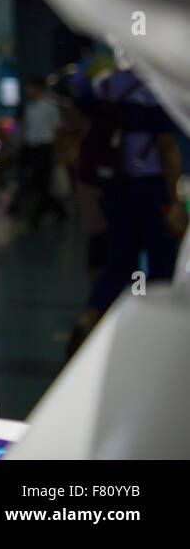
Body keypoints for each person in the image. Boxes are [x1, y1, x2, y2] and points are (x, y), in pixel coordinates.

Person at [66, 66, 186, 355]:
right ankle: (157, 334)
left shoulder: (105, 84)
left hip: (115, 186)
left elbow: (75, 113)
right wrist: (176, 201)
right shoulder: (154, 89)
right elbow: (167, 147)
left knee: (120, 263)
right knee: (160, 263)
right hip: (151, 187)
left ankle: (88, 319)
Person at [15, 78, 66, 223]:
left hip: (46, 146)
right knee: (38, 181)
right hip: (33, 147)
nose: (29, 91)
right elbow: (26, 127)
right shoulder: (29, 106)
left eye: (31, 88)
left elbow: (56, 129)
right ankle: (57, 210)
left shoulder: (49, 106)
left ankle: (39, 215)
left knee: (44, 181)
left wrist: (58, 151)